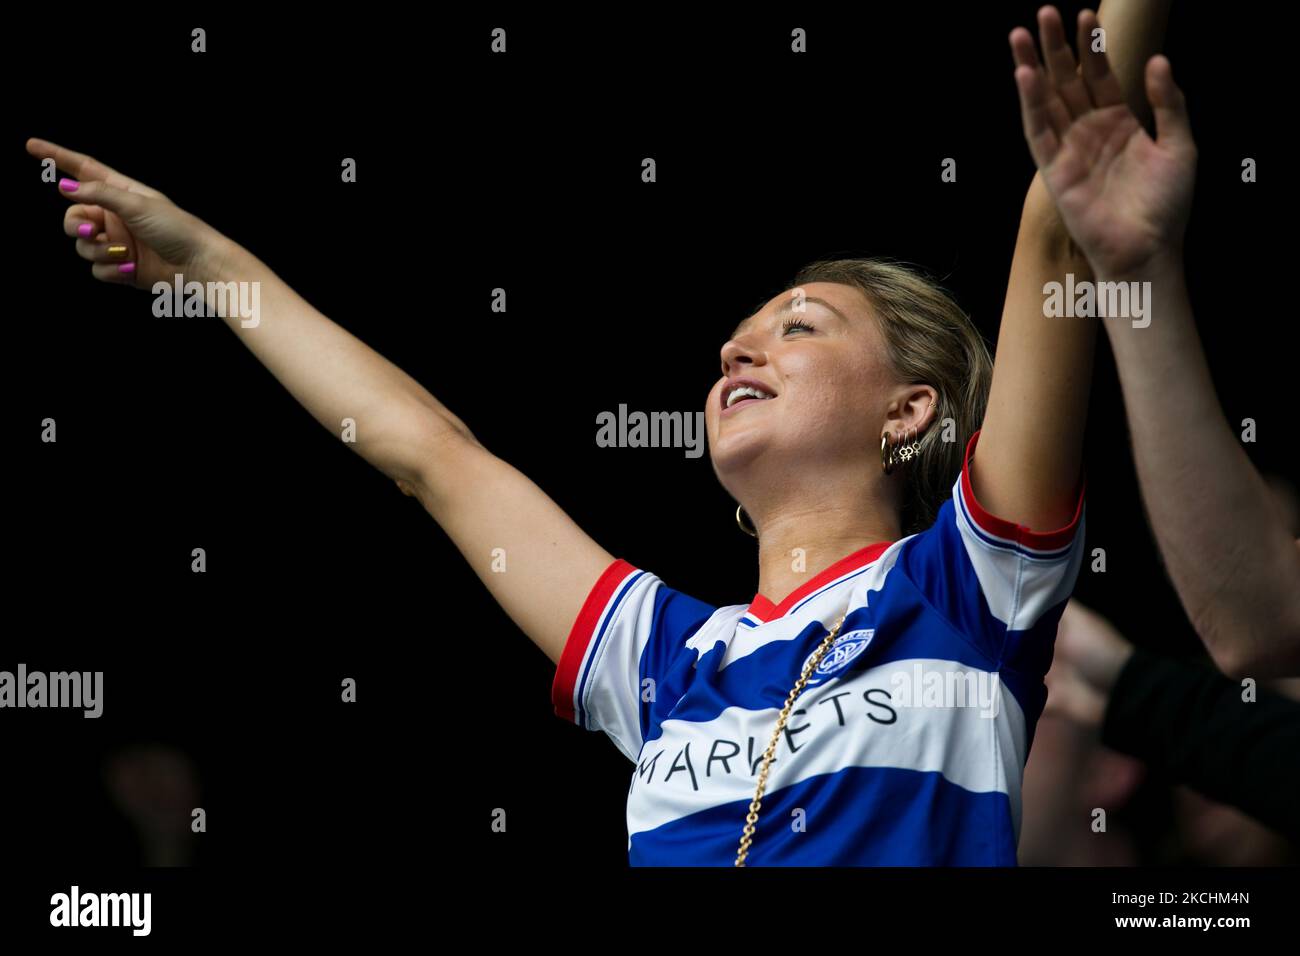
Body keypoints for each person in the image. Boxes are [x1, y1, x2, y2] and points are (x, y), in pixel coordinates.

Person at [25, 3, 1185, 865]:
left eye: (799, 326)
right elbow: (431, 454)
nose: (739, 350)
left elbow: (1057, 226)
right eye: (736, 336)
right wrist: (210, 266)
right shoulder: (667, 660)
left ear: (909, 407)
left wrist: (1086, 144)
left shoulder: (970, 586)